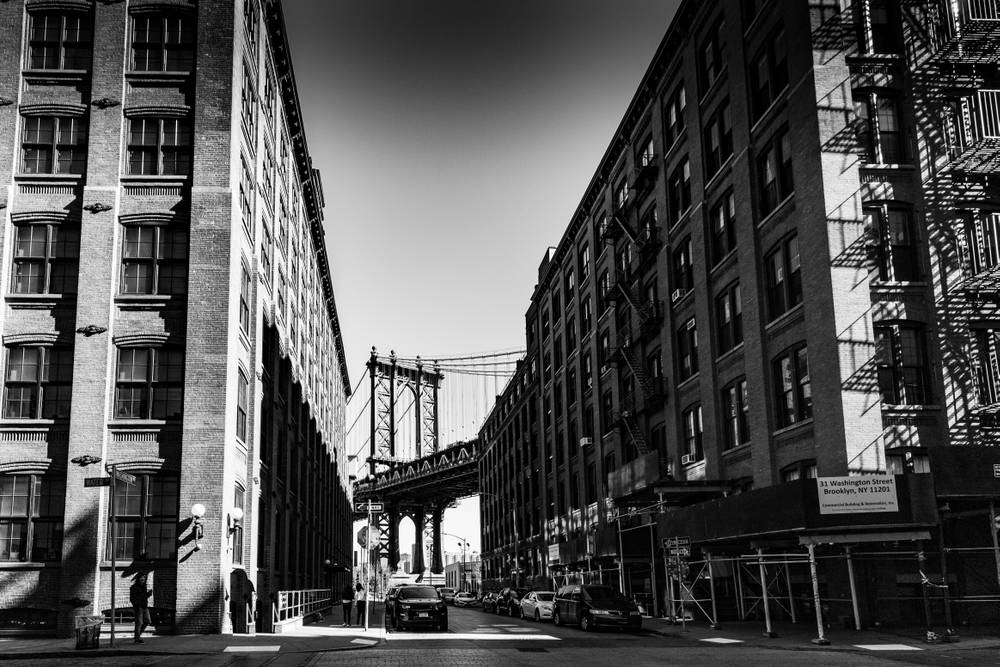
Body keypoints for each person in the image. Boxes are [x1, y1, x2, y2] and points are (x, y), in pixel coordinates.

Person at [129, 573, 152, 643]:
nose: (143, 579)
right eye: (141, 578)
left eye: (144, 578)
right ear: (138, 579)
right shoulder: (134, 587)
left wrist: (148, 594)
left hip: (145, 607)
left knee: (148, 621)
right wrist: (137, 605)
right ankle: (137, 638)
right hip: (138, 608)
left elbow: (143, 597)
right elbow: (132, 599)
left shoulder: (143, 587)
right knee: (139, 623)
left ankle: (137, 635)